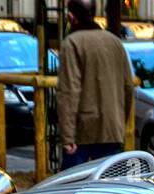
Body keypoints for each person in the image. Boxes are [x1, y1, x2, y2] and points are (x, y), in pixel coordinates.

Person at [57, 0, 136, 169]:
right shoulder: (114, 42)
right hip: (112, 127)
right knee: (106, 186)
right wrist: (120, 122)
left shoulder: (72, 43)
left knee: (71, 186)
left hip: (82, 131)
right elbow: (128, 86)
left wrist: (68, 136)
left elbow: (69, 91)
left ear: (71, 16)